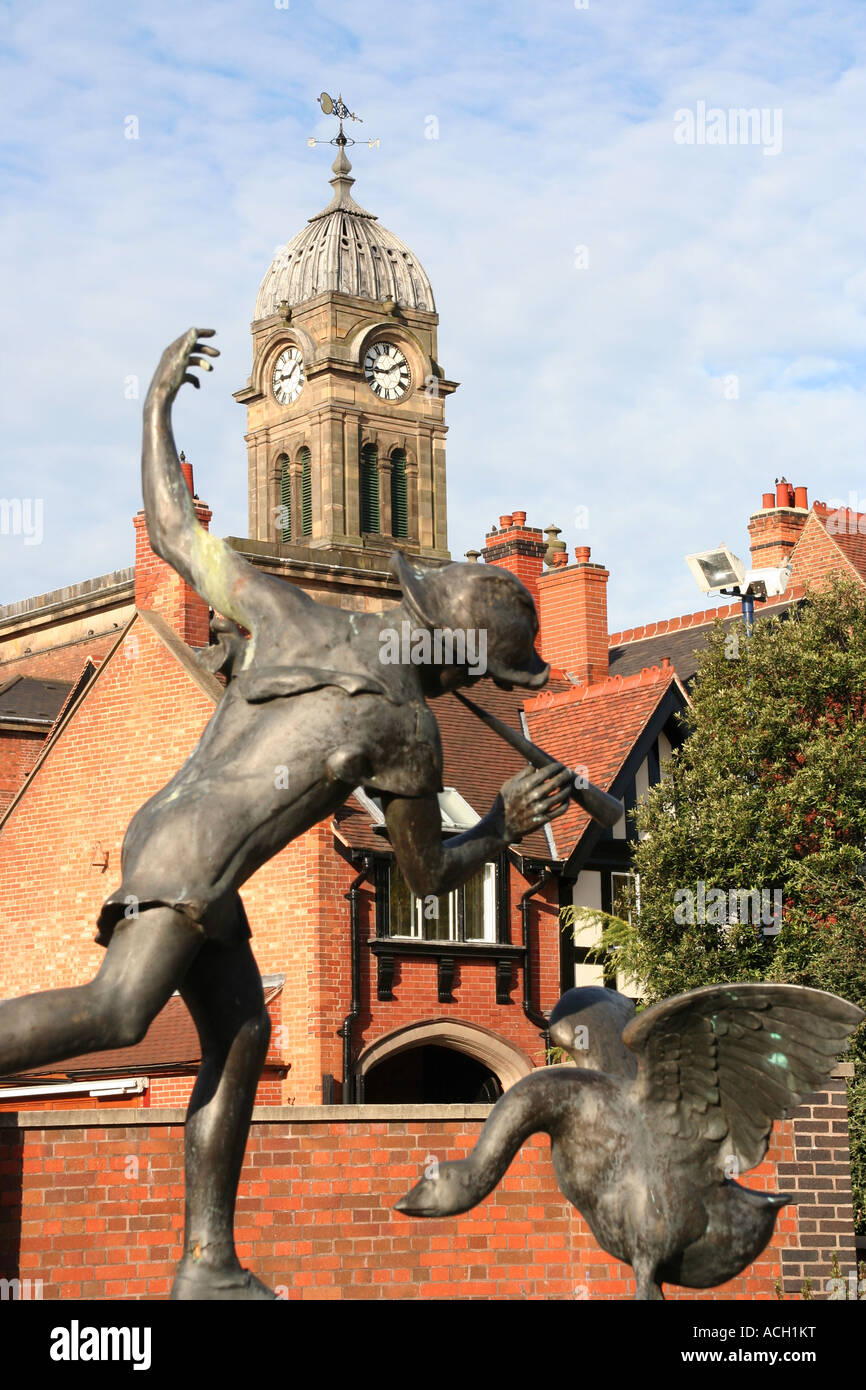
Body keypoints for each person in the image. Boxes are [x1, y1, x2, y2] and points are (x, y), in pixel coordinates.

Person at [0, 329, 573, 1299]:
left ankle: (208, 1263)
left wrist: (155, 403)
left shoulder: (300, 612)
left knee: (238, 1036)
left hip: (173, 836)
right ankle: (205, 1262)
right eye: (475, 670)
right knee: (118, 1008)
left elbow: (176, 533)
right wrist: (504, 828)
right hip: (194, 859)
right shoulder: (403, 726)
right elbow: (426, 877)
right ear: (460, 659)